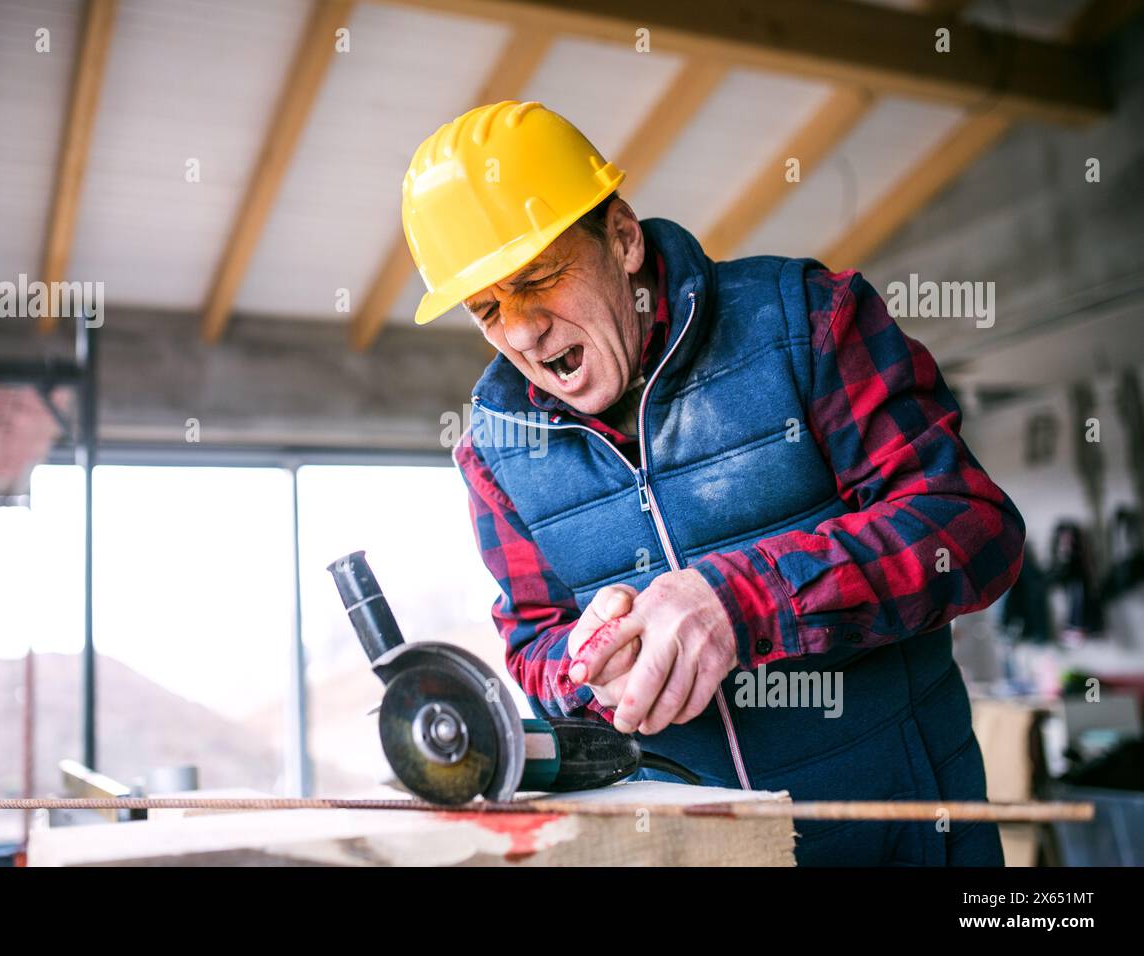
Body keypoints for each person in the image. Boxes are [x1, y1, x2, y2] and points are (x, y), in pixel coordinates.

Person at [402, 100, 1025, 865]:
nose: (524, 329)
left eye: (540, 277)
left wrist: (741, 601)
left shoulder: (807, 322)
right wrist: (584, 665)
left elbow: (969, 527)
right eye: (489, 308)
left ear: (622, 237)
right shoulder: (494, 454)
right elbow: (533, 642)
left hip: (906, 843)